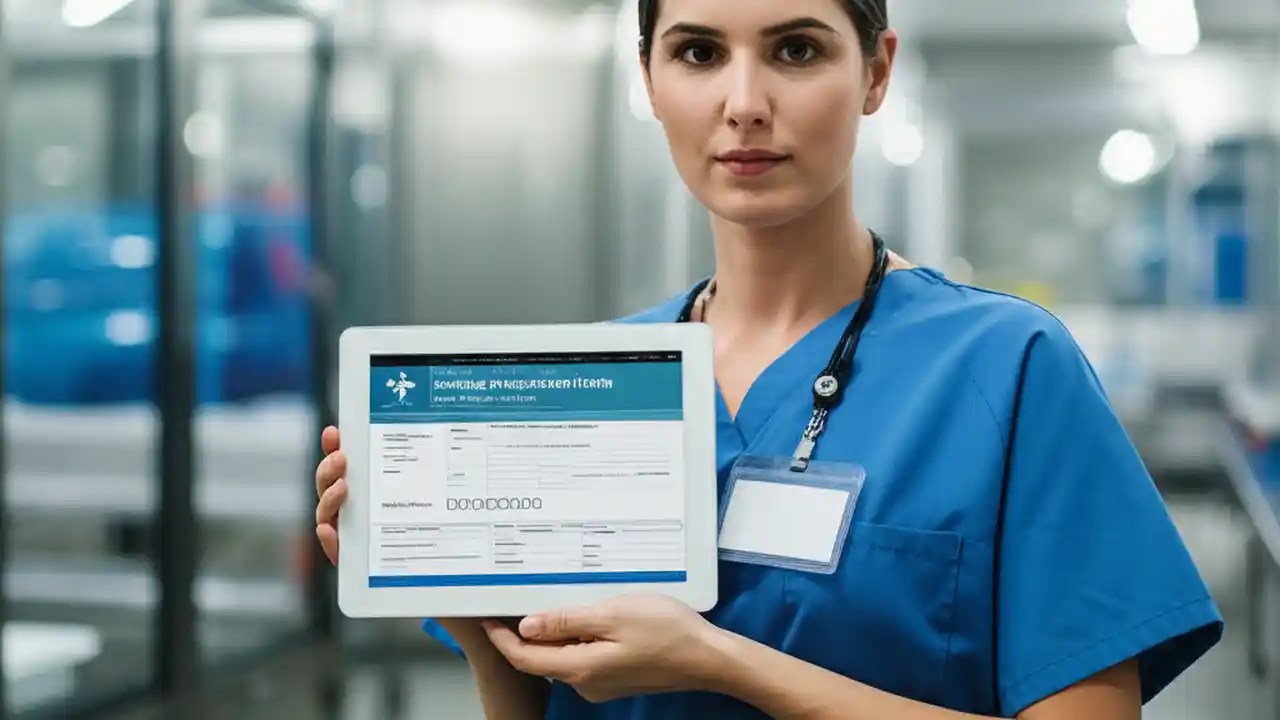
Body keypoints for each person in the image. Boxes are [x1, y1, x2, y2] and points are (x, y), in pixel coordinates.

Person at [314, 0, 1224, 717]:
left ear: (875, 72)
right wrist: (473, 604)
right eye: (699, 52)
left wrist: (722, 665)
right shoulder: (595, 378)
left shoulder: (1009, 367)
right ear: (650, 76)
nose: (743, 103)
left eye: (795, 49)